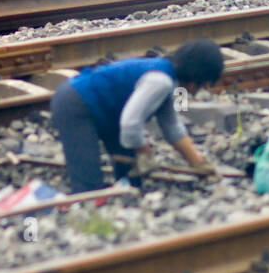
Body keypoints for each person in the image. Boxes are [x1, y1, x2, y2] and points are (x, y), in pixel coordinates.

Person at [51, 39, 223, 193]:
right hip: (75, 104)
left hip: (107, 111)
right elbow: (131, 123)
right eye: (203, 83)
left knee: (132, 176)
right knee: (88, 185)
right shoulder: (160, 81)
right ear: (196, 77)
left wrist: (197, 162)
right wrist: (145, 153)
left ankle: (124, 196)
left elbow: (172, 127)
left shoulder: (168, 78)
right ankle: (86, 213)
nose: (198, 89)